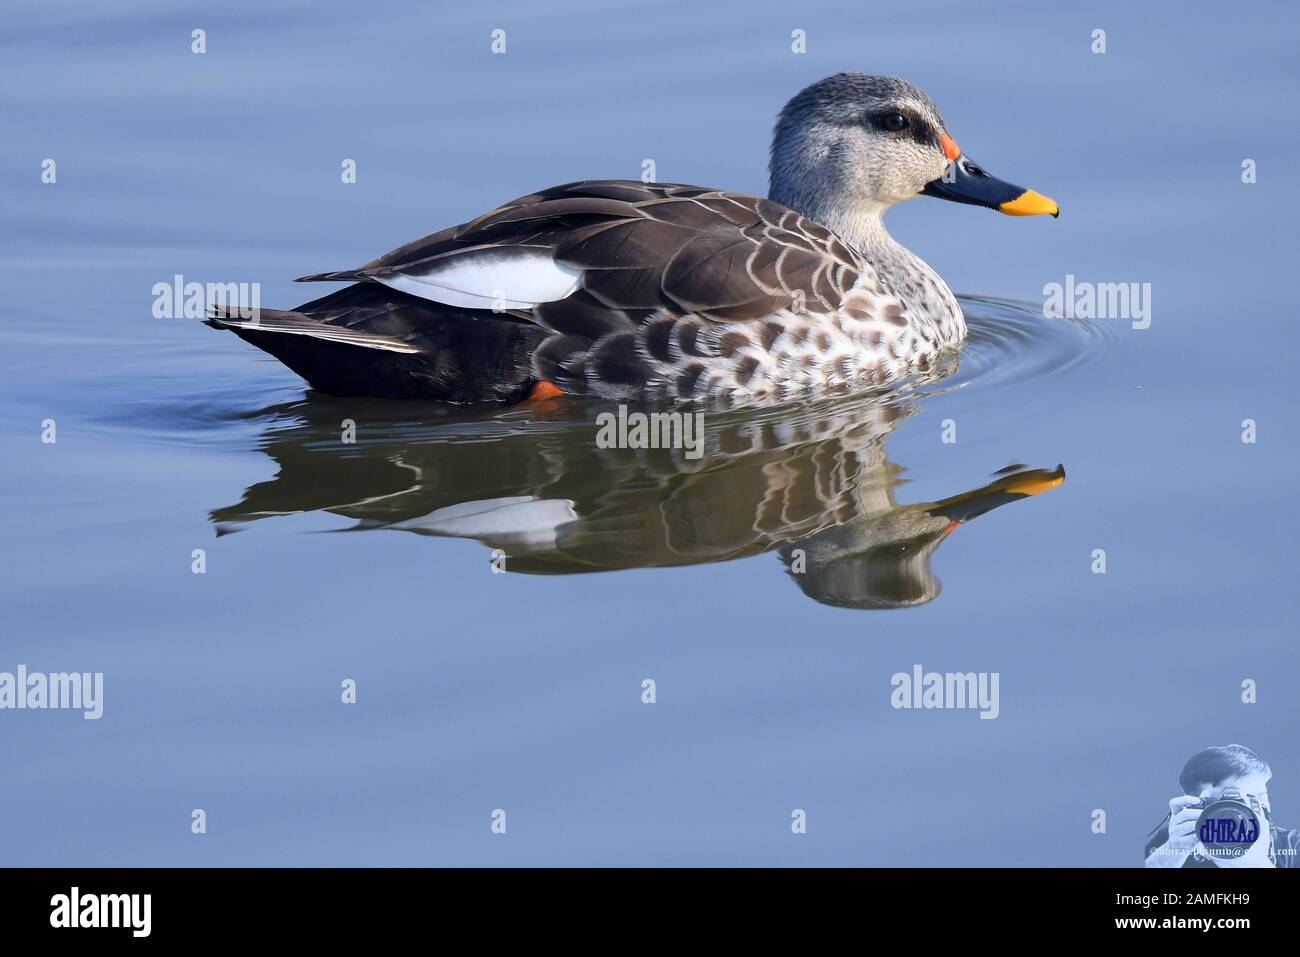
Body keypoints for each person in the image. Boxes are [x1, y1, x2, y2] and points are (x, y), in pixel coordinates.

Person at [1145, 744, 1300, 867]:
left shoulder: (1293, 844)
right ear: (1192, 804)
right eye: (1222, 803)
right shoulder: (1177, 837)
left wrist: (1256, 864)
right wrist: (1174, 848)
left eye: (1256, 797)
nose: (1238, 814)